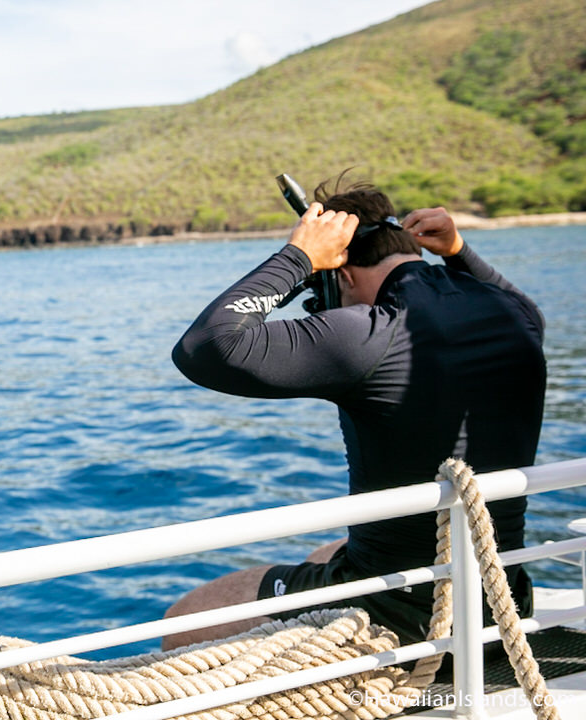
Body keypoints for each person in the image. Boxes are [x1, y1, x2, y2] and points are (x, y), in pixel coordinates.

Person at [162, 175, 546, 650]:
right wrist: (458, 251)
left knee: (184, 620)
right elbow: (526, 308)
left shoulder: (368, 332)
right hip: (505, 605)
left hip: (405, 622)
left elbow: (204, 346)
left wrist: (299, 258)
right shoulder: (514, 317)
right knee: (325, 554)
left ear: (341, 273)